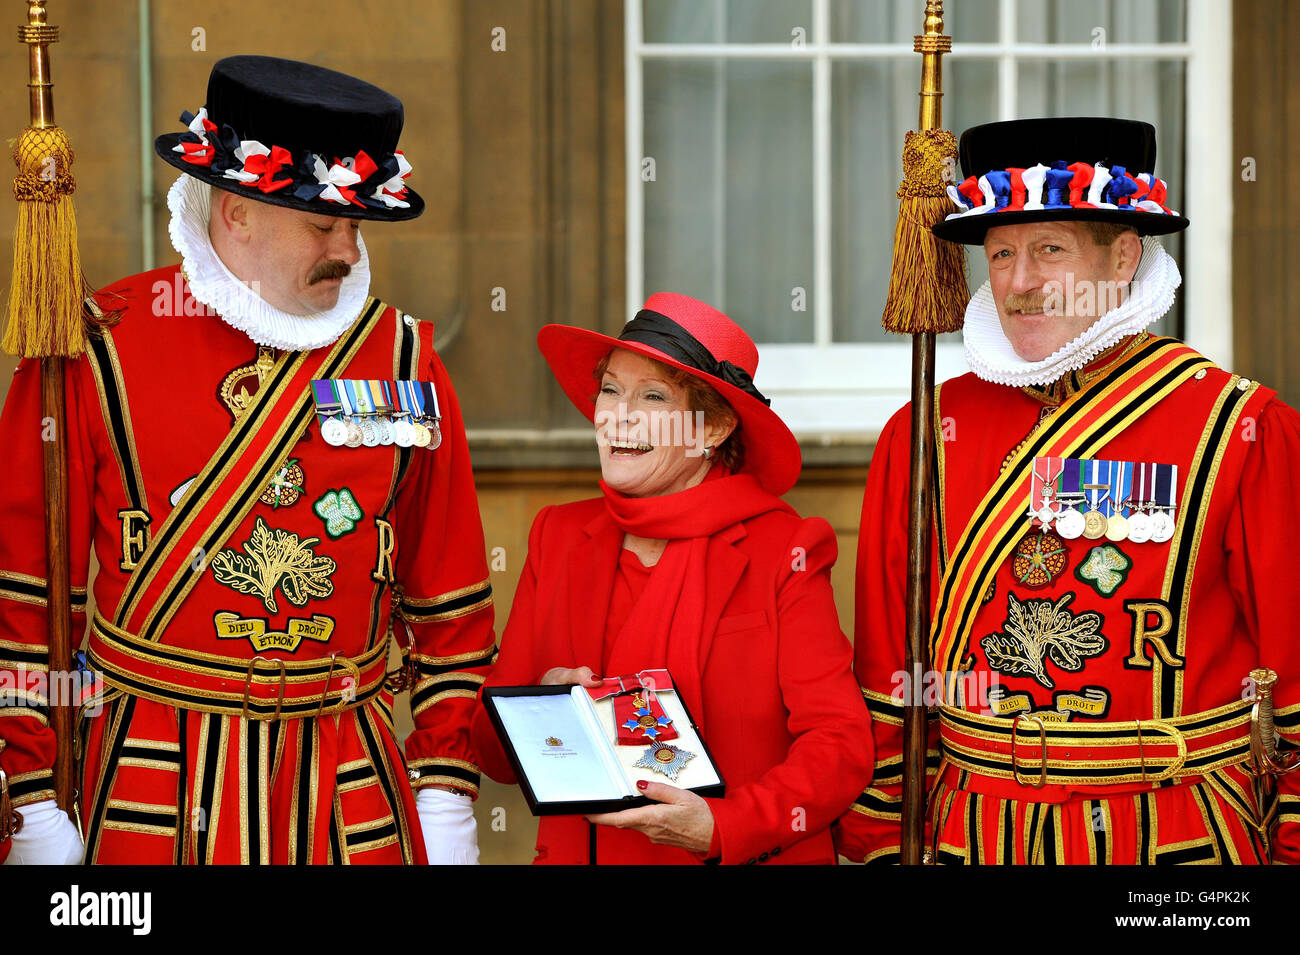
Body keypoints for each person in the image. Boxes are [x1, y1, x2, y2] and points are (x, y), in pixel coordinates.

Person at [0, 56, 495, 864]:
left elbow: (452, 605)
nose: (346, 249)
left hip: (347, 787)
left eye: (357, 225)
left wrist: (444, 791)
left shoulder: (406, 360)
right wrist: (34, 798)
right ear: (235, 211)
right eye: (321, 225)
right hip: (148, 785)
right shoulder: (96, 347)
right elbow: (21, 595)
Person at [837, 117, 1300, 865]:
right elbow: (892, 680)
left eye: (1049, 249)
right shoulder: (926, 427)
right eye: (1001, 253)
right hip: (971, 837)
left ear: (1122, 256)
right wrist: (881, 846)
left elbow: (1297, 673)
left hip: (1175, 840)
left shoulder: (1242, 426)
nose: (1019, 283)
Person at [470, 293, 873, 864]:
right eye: (610, 389)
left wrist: (725, 826)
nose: (617, 415)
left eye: (653, 396)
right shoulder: (557, 536)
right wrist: (540, 704)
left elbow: (840, 746)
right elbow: (491, 753)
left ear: (714, 428)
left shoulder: (786, 548)